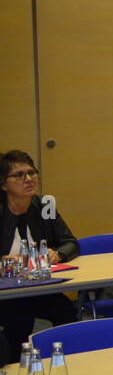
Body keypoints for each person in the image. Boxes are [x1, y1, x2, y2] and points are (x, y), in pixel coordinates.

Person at [0, 150, 78, 363]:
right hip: (6, 292)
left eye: (32, 173)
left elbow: (71, 242)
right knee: (18, 321)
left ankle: (74, 360)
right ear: (3, 184)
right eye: (19, 175)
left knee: (66, 312)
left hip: (39, 286)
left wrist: (58, 253)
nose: (29, 179)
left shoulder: (45, 206)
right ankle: (16, 368)